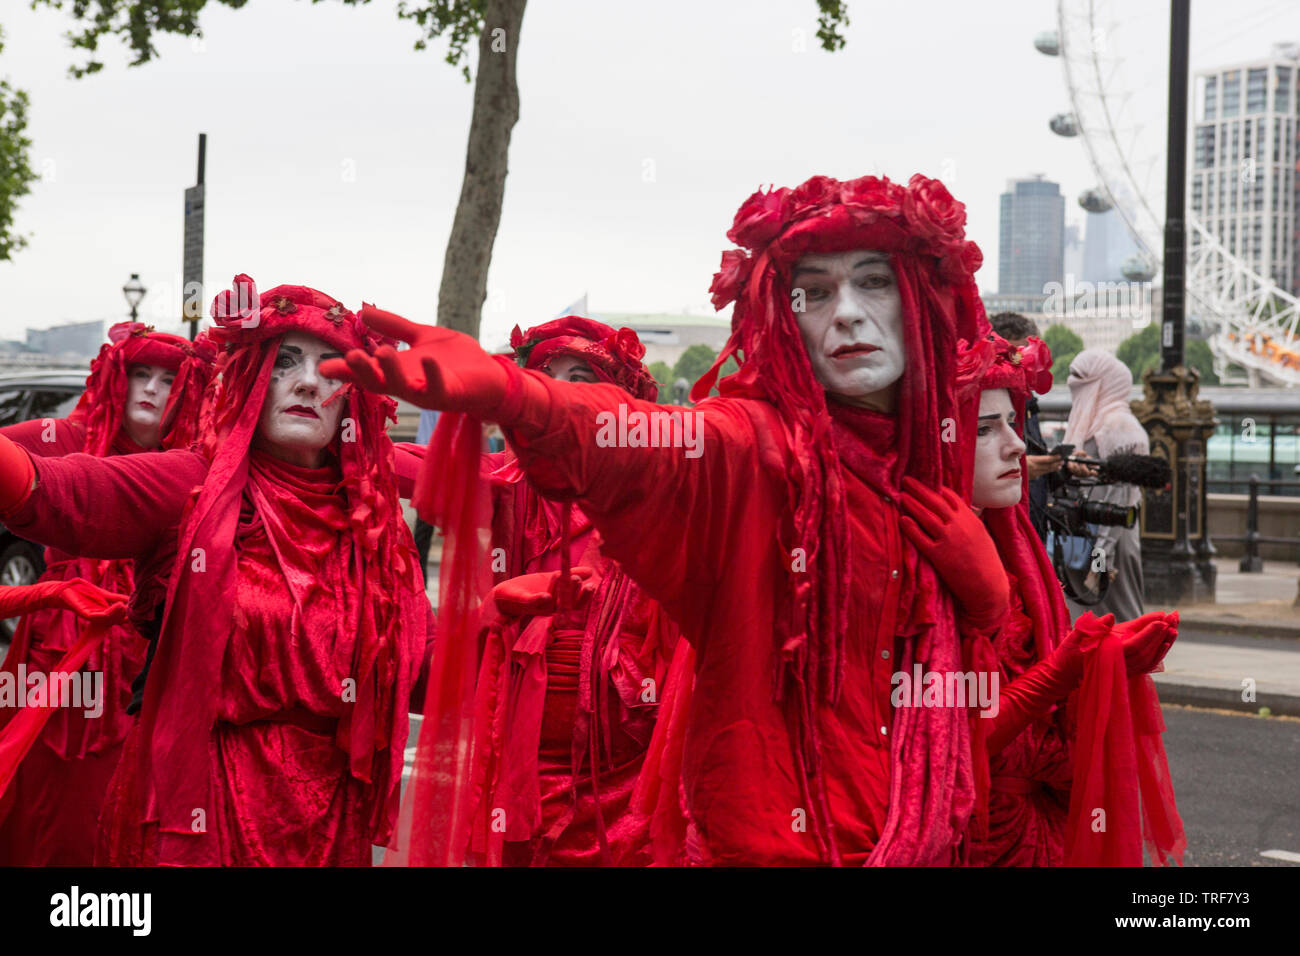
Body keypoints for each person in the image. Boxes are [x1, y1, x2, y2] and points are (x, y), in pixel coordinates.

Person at [333, 174, 1015, 866]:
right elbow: (643, 440)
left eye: (873, 282)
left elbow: (988, 714)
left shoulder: (935, 472)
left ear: (922, 303)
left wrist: (987, 601)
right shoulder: (754, 450)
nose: (845, 314)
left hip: (924, 841)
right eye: (814, 290)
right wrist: (518, 396)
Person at [0, 277, 433, 865]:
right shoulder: (192, 484)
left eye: (332, 369)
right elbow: (52, 495)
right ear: (254, 380)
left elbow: (432, 668)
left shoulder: (375, 529)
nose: (309, 380)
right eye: (285, 362)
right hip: (204, 816)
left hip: (330, 825)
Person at [452, 316, 682, 866]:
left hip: (631, 768)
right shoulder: (508, 480)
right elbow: (388, 464)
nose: (559, 393)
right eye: (545, 379)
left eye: (580, 377)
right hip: (524, 767)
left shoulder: (666, 485)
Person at [947, 332, 1182, 866]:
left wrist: (1106, 663)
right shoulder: (927, 565)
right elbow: (947, 748)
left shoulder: (1015, 553)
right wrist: (1067, 670)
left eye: (1013, 423)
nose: (1016, 446)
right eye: (986, 429)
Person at [0, 322, 214, 865]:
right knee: (52, 801)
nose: (150, 389)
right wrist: (32, 598)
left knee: (135, 802)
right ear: (117, 379)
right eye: (140, 373)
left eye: (167, 380)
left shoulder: (196, 466)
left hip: (146, 659)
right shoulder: (69, 439)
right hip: (59, 654)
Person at [1062, 348, 1148, 622]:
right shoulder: (1093, 423)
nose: (1073, 383)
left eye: (1083, 379)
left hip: (1107, 543)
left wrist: (1101, 560)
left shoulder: (1119, 426)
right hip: (1084, 540)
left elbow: (1120, 500)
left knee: (1119, 618)